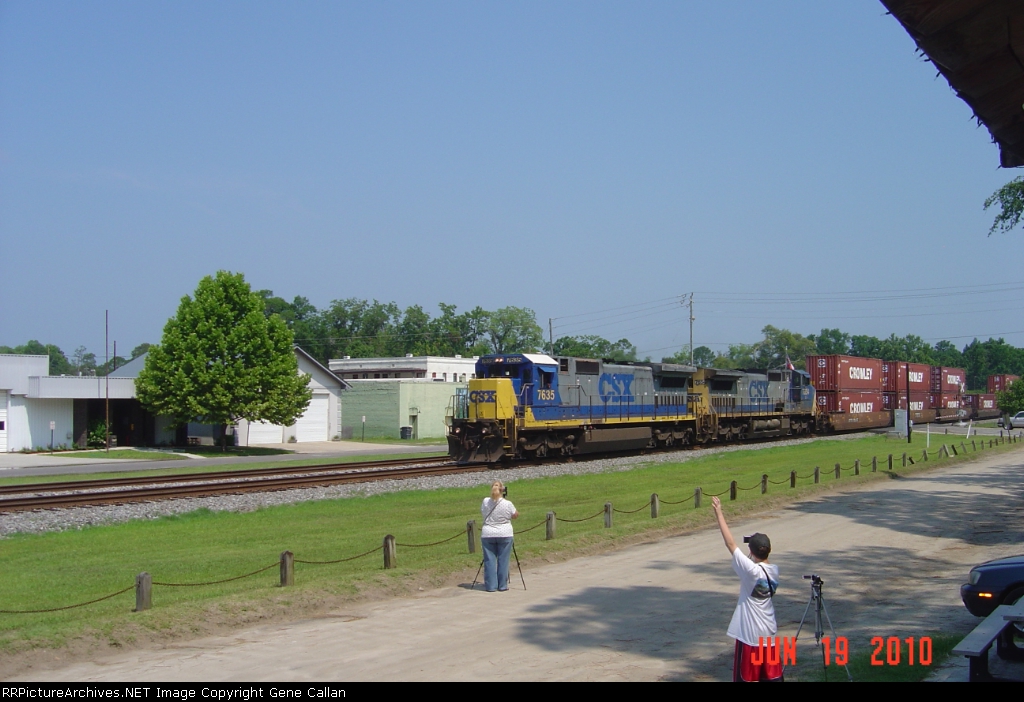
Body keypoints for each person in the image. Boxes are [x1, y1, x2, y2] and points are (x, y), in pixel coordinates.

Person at [711, 495, 781, 682]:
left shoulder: (751, 572)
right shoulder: (774, 571)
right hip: (769, 635)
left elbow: (730, 544)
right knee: (772, 677)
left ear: (751, 551)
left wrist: (718, 512)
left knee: (747, 678)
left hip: (750, 637)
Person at [480, 480, 518, 592]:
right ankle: (502, 585)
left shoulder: (485, 501)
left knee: (489, 560)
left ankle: (491, 586)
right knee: (503, 560)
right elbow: (515, 515)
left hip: (488, 533)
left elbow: (483, 512)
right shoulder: (507, 503)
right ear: (502, 490)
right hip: (505, 533)